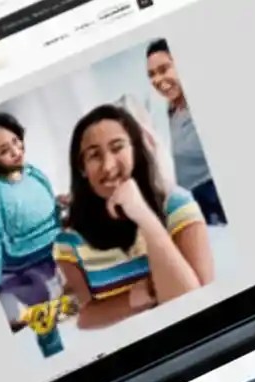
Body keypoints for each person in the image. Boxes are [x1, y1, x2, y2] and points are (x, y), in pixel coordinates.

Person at [54, 104, 215, 330]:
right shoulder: (68, 242)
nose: (108, 166)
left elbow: (195, 305)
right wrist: (140, 295)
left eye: (117, 148)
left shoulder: (177, 204)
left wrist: (143, 216)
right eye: (94, 156)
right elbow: (84, 315)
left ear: (136, 151)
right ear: (82, 169)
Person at [0, 112, 67, 357]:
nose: (17, 151)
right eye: (5, 151)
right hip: (23, 258)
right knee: (39, 302)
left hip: (54, 242)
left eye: (16, 142)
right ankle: (52, 347)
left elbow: (45, 203)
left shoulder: (33, 172)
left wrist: (59, 207)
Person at [145, 39, 227, 226]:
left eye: (164, 69)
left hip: (213, 195)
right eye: (151, 75)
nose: (157, 80)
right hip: (191, 202)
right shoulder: (170, 110)